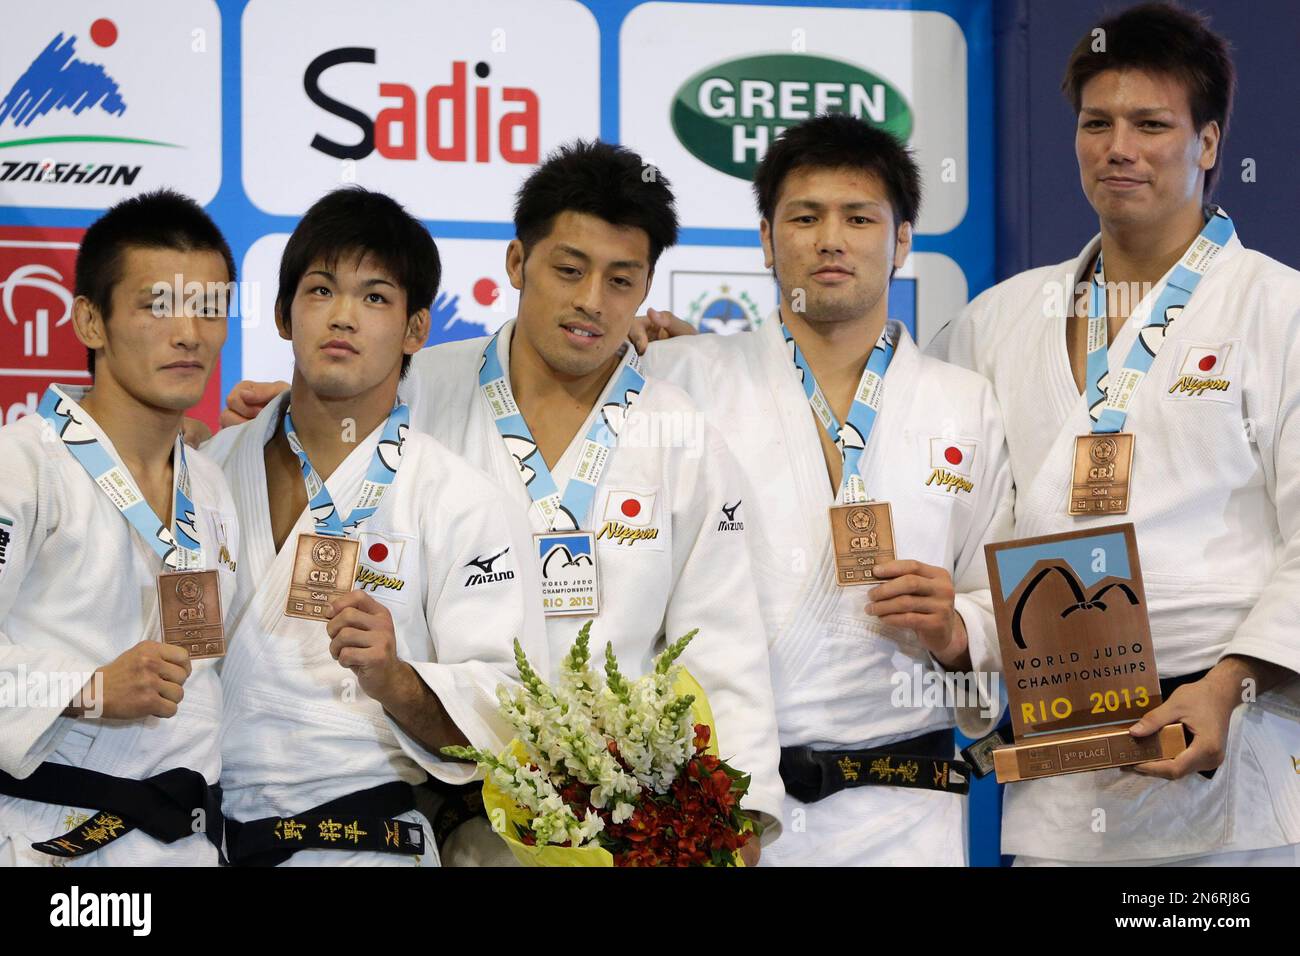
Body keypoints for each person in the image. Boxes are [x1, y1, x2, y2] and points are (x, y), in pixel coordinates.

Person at [221, 143, 785, 866]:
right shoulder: (418, 385)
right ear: (518, 263)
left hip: (617, 819)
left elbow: (722, 647)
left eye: (622, 280)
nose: (592, 302)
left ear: (646, 288)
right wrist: (274, 420)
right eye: (569, 269)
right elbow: (327, 416)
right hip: (442, 801)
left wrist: (735, 813)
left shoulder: (683, 436)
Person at [930, 2, 1300, 865]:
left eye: (1151, 124)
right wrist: (700, 366)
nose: (1118, 148)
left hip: (1228, 760)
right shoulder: (1000, 318)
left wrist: (1230, 684)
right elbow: (897, 417)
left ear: (1209, 143)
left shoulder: (1277, 309)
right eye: (1097, 123)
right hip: (1061, 765)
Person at [643, 114, 1013, 865]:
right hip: (729, 802)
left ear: (903, 239)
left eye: (859, 217)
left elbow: (1000, 596)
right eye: (804, 217)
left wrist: (952, 630)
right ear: (766, 238)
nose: (830, 239)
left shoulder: (962, 400)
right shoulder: (686, 379)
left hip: (907, 806)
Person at [204, 187, 548, 865]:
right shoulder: (204, 474)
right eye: (320, 289)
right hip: (205, 836)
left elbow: (507, 721)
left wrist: (394, 677)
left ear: (417, 329)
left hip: (364, 842)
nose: (342, 317)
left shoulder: (457, 497)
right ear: (281, 314)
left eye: (375, 297)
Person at [0, 190, 239, 865]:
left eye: (209, 308)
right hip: (51, 838)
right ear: (90, 321)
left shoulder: (211, 487)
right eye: (157, 306)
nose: (189, 332)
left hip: (187, 842)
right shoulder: (20, 466)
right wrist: (86, 688)